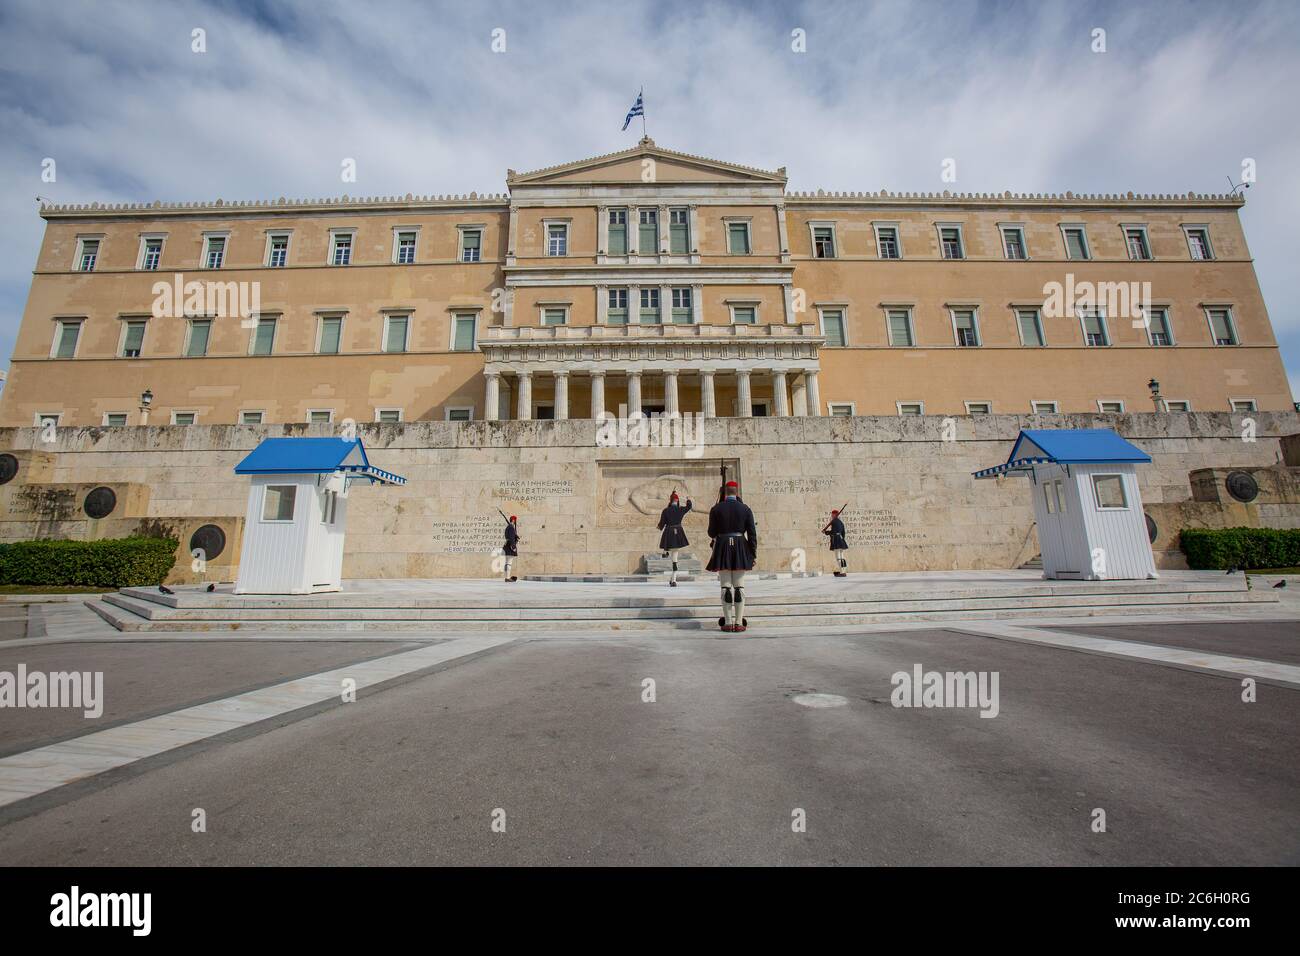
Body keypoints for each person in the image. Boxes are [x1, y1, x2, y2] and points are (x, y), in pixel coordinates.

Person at [706, 480, 757, 632]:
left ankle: (728, 623)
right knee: (739, 586)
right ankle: (739, 623)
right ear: (737, 492)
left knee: (725, 587)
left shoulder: (716, 509)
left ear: (725, 492)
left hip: (722, 546)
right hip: (740, 546)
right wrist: (752, 554)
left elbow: (711, 532)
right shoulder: (745, 509)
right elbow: (752, 534)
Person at [656, 491, 693, 587]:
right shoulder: (680, 509)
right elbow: (689, 506)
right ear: (677, 500)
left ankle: (665, 551)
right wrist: (688, 499)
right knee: (675, 558)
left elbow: (662, 524)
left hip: (668, 532)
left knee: (669, 549)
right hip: (678, 533)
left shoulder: (665, 511)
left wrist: (659, 527)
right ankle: (674, 580)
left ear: (670, 500)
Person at [823, 509, 849, 576]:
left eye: (832, 514)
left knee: (838, 558)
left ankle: (842, 572)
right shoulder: (841, 522)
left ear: (834, 515)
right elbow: (843, 533)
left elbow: (833, 532)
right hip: (841, 540)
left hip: (836, 540)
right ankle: (843, 570)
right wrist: (841, 539)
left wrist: (826, 532)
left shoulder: (834, 522)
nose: (831, 515)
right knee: (842, 557)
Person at [502, 515, 519, 582]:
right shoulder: (511, 528)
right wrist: (513, 547)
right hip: (510, 547)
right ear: (513, 520)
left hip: (507, 546)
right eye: (515, 520)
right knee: (509, 563)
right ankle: (507, 577)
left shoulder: (508, 527)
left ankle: (507, 576)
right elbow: (511, 538)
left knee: (507, 563)